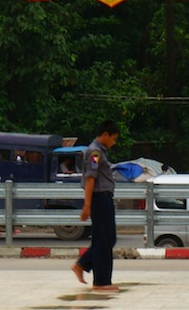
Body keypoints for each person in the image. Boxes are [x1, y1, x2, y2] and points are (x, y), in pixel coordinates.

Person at [70, 120, 121, 292]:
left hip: (104, 198)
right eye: (113, 139)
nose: (113, 143)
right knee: (104, 239)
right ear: (105, 134)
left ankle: (83, 265)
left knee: (108, 238)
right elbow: (90, 179)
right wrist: (87, 205)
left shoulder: (99, 152)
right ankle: (100, 281)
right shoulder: (95, 152)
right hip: (99, 199)